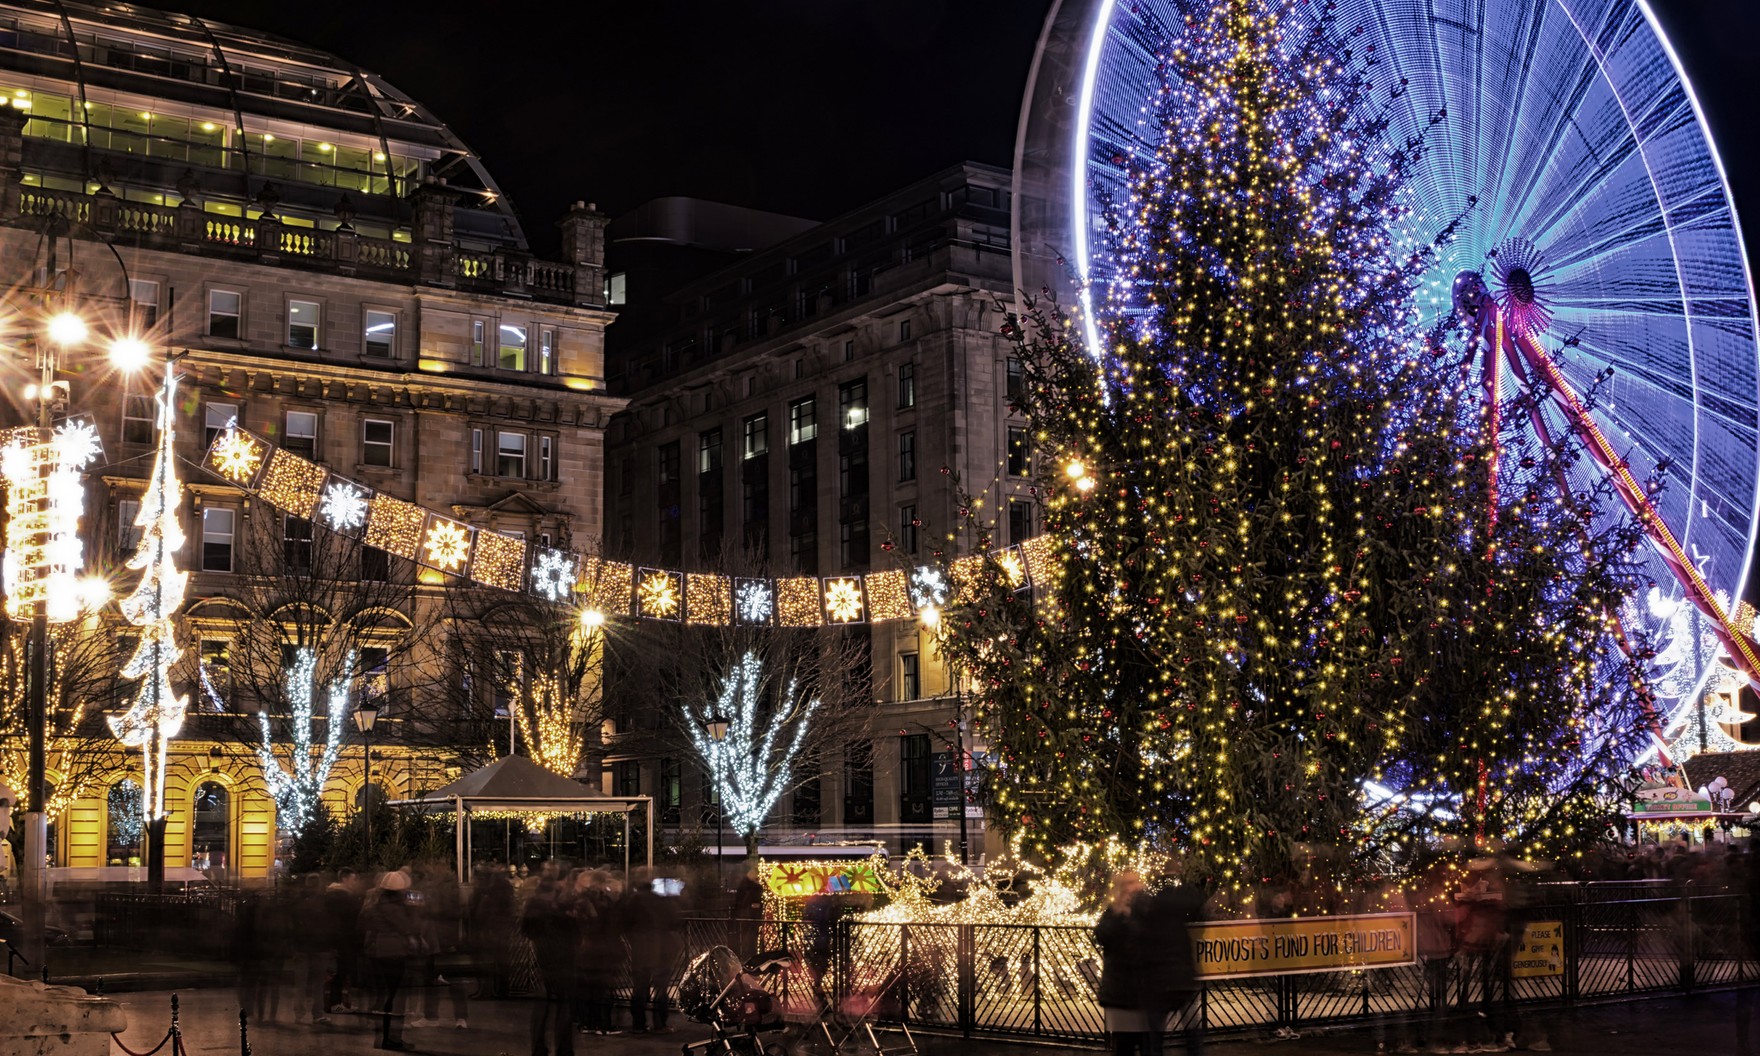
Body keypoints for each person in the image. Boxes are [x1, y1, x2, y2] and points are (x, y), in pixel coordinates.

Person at [360, 870, 425, 1051]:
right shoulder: (396, 907)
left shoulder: (375, 903)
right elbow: (408, 926)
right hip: (394, 952)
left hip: (377, 952)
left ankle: (381, 1036)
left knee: (383, 995)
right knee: (395, 997)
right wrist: (415, 911)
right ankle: (392, 1038)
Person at [522, 864, 580, 1056]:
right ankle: (564, 1048)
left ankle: (539, 1048)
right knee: (562, 1007)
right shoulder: (563, 905)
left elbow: (527, 929)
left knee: (543, 1008)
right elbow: (574, 933)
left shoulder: (535, 903)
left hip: (544, 957)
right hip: (561, 959)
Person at [624, 870, 683, 1034]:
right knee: (661, 988)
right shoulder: (661, 899)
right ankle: (660, 1023)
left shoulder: (633, 900)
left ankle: (639, 1023)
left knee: (640, 988)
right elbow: (674, 919)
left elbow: (626, 922)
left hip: (641, 949)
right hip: (661, 948)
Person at [730, 860, 766, 960]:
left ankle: (747, 956)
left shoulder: (745, 885)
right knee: (751, 938)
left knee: (747, 937)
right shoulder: (755, 887)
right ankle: (751, 956)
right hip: (751, 915)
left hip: (746, 915)